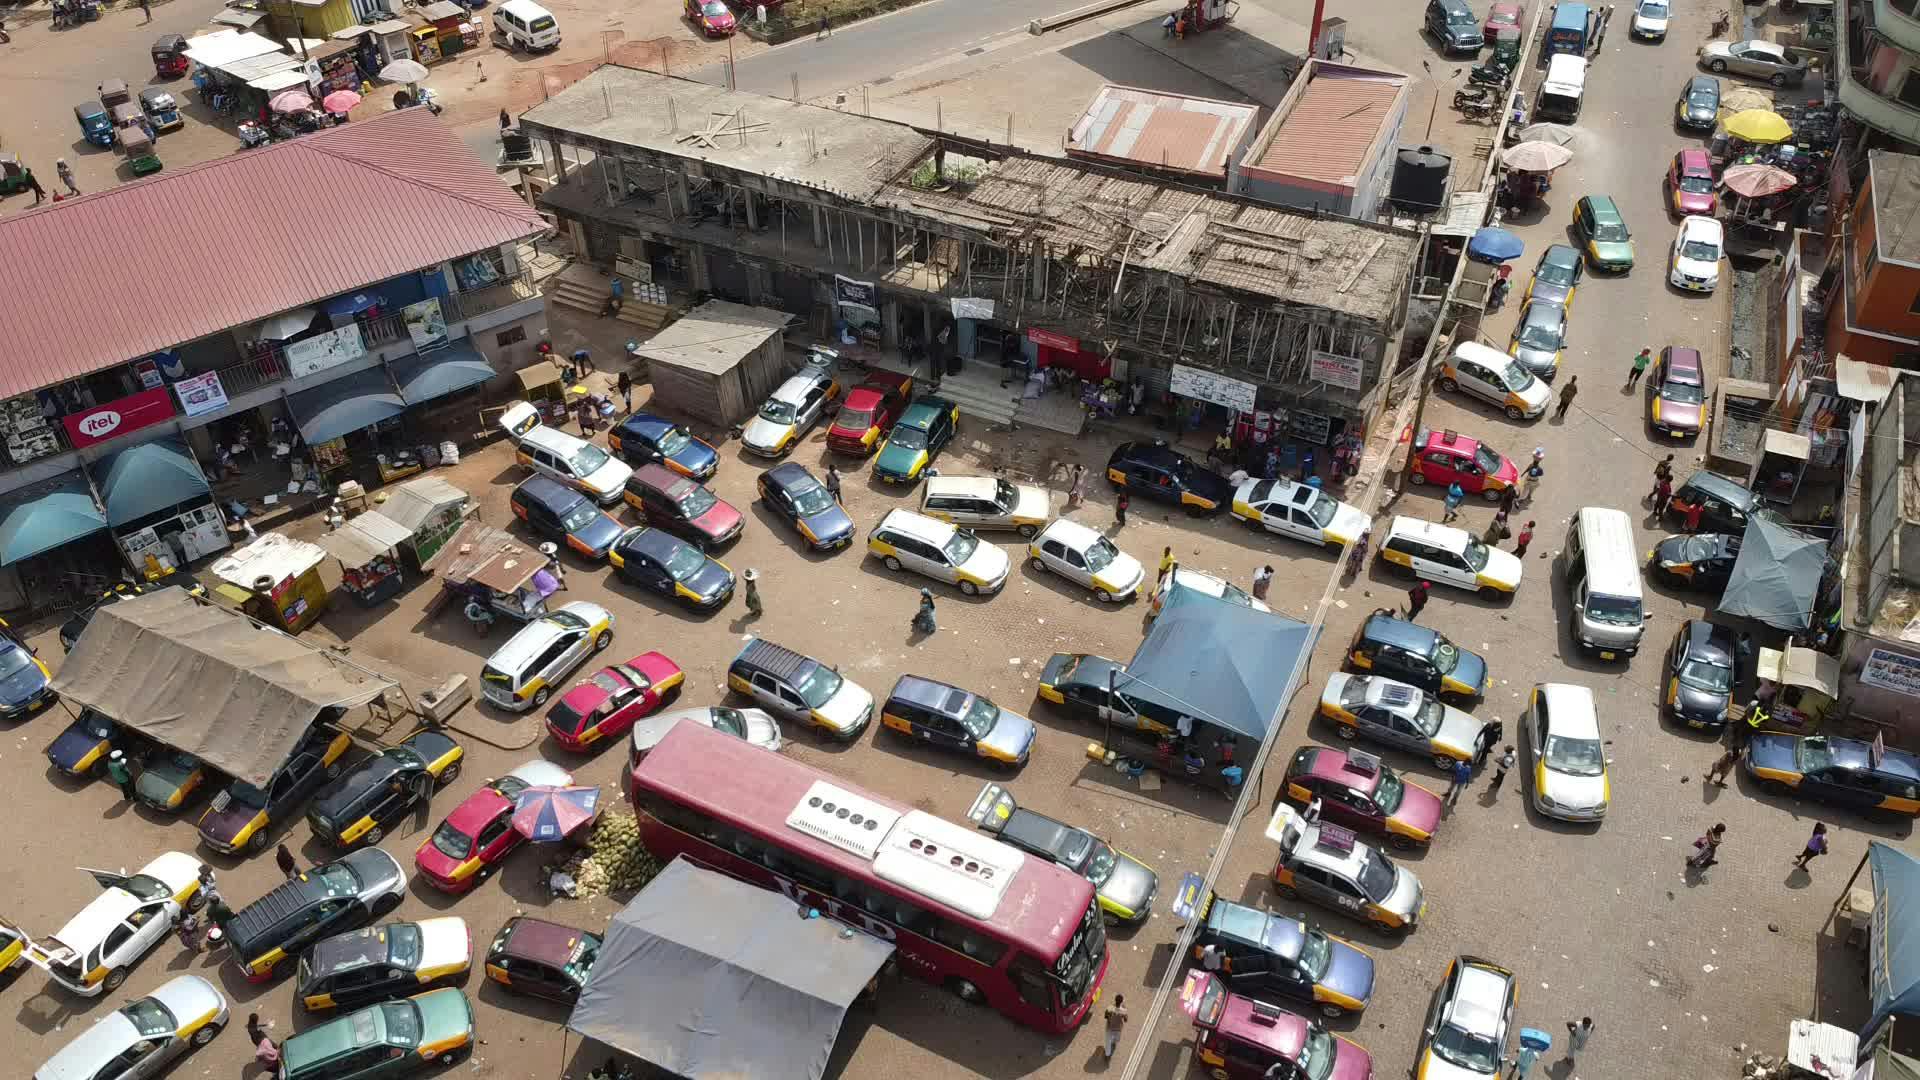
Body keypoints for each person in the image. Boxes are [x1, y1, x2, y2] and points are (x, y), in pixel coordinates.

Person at [1103, 994, 1128, 1060]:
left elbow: (1105, 1016)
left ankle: (1107, 1056)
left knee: (1108, 1042)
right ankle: (1113, 1043)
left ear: (1115, 1000)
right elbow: (1126, 1020)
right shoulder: (1123, 1010)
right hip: (1118, 1029)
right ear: (1121, 1001)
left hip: (1109, 1028)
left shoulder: (1110, 1008)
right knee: (1116, 1039)